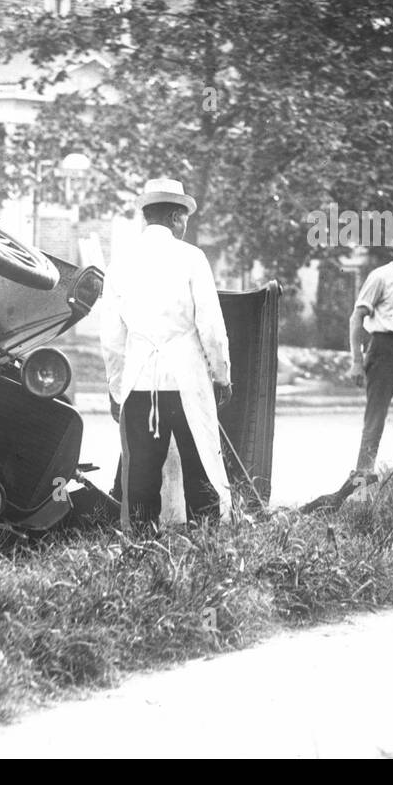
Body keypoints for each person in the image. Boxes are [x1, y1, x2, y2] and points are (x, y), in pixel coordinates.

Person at [101, 177, 232, 530]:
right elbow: (211, 327)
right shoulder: (192, 258)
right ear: (175, 218)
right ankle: (205, 542)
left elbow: (111, 339)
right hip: (186, 381)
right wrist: (222, 376)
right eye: (184, 217)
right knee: (200, 464)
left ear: (146, 217)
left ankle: (142, 544)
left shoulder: (120, 264)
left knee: (142, 473)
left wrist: (117, 390)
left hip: (140, 383)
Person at [348, 228, 393, 479]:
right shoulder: (381, 276)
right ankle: (362, 480)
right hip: (382, 348)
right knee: (375, 419)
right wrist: (356, 360)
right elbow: (357, 316)